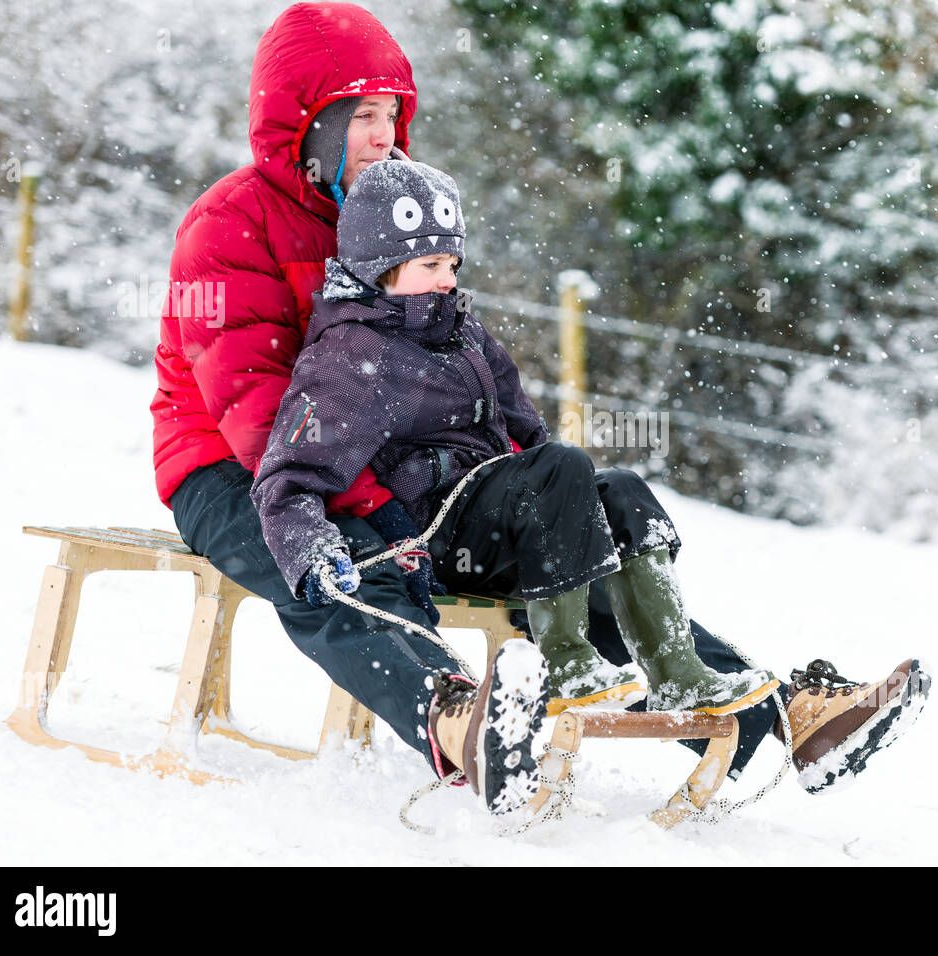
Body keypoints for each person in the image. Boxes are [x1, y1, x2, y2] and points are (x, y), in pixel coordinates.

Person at [150, 1, 929, 815]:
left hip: (400, 471)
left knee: (574, 535)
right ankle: (457, 721)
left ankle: (775, 719)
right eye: (360, 115)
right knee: (330, 561)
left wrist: (508, 489)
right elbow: (259, 418)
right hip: (238, 469)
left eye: (392, 114)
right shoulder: (229, 224)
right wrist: (385, 515)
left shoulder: (392, 217)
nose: (384, 134)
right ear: (304, 124)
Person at [249, 158, 782, 733]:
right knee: (562, 465)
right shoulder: (352, 353)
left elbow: (528, 431)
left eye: (452, 262)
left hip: (501, 518)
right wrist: (310, 551)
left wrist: (573, 503)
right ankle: (565, 664)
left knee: (622, 490)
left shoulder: (461, 329)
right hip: (439, 533)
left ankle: (676, 671)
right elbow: (289, 473)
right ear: (381, 267)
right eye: (430, 264)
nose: (448, 278)